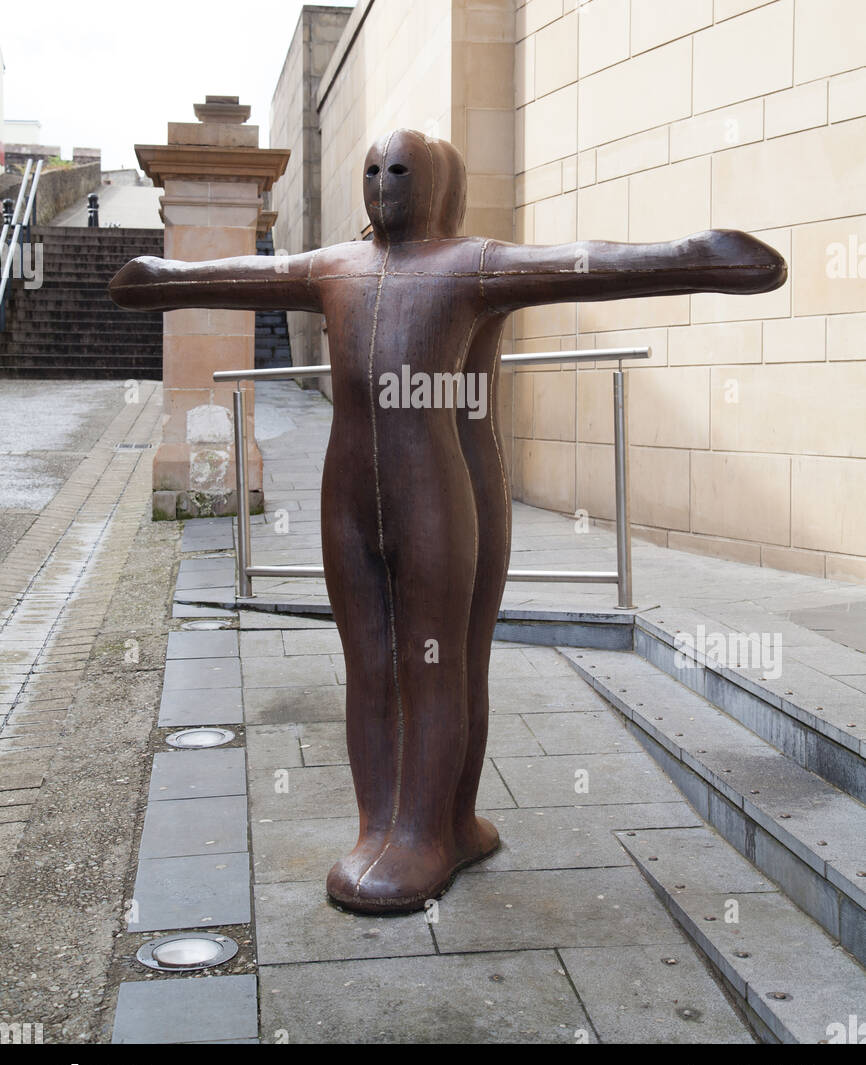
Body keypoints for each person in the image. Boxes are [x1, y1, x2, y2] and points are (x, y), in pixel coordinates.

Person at [110, 128, 787, 913]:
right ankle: (387, 827)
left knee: (435, 661)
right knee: (369, 664)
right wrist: (165, 277)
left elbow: (589, 261)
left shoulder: (470, 264)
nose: (384, 181)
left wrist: (698, 255)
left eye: (400, 169)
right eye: (372, 169)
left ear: (430, 181)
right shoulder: (337, 266)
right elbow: (243, 273)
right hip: (346, 501)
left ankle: (427, 831)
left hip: (432, 492)